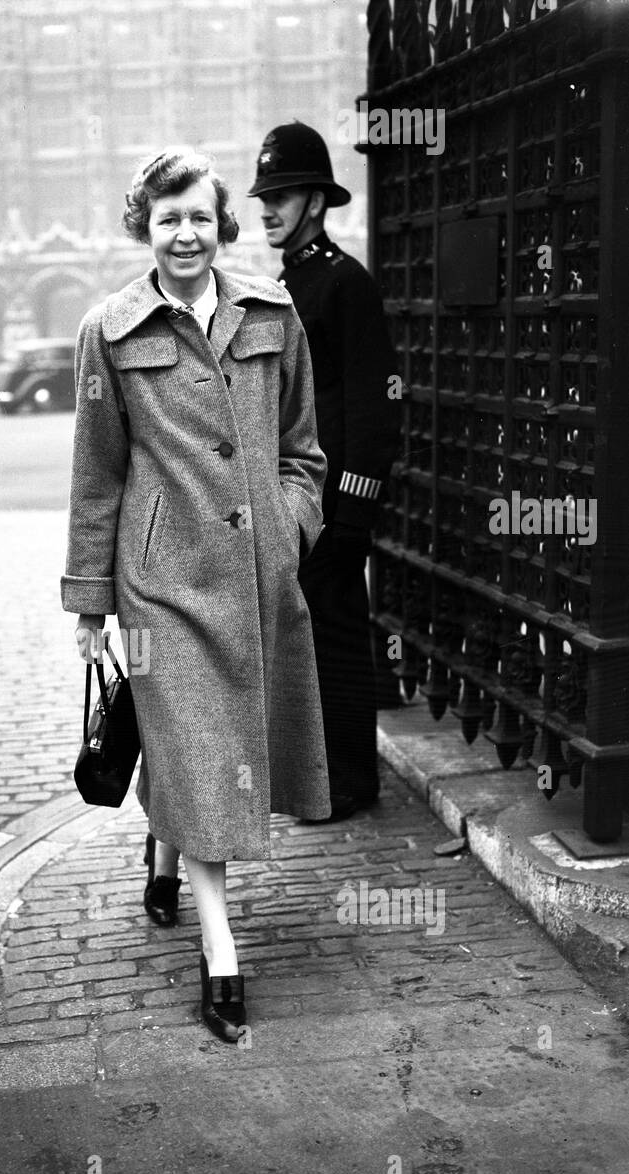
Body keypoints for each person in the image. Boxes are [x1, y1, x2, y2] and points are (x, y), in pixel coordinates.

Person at [62, 148, 330, 1044]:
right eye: (167, 217)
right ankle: (222, 953)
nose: (185, 234)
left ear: (222, 228)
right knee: (199, 751)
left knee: (204, 755)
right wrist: (89, 604)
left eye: (200, 218)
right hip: (160, 591)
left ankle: (166, 853)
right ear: (144, 226)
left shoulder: (272, 311)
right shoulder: (109, 328)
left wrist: (292, 528)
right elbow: (97, 475)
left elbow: (303, 450)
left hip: (257, 583)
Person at [250, 121, 400, 823]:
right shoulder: (292, 284)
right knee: (307, 642)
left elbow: (370, 410)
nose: (267, 208)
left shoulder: (345, 284)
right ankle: (323, 777)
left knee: (334, 640)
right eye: (264, 195)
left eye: (281, 195)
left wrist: (352, 512)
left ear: (315, 201)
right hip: (298, 502)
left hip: (334, 504)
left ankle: (350, 781)